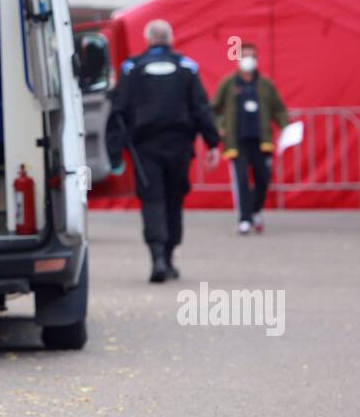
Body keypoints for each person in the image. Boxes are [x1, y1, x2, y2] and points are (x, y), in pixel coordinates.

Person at [107, 19, 221, 283]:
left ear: (147, 40)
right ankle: (168, 258)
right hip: (179, 146)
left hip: (145, 148)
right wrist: (212, 142)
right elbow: (201, 108)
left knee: (152, 200)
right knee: (173, 200)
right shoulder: (186, 68)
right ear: (170, 39)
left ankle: (157, 256)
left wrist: (114, 153)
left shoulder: (132, 68)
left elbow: (118, 111)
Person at [211, 41, 289, 235]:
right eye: (244, 56)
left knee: (263, 178)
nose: (248, 60)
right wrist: (219, 127)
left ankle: (255, 211)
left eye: (252, 56)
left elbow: (279, 109)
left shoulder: (265, 85)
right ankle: (244, 218)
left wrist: (285, 127)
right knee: (242, 179)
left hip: (261, 140)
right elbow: (213, 109)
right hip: (236, 141)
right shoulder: (229, 83)